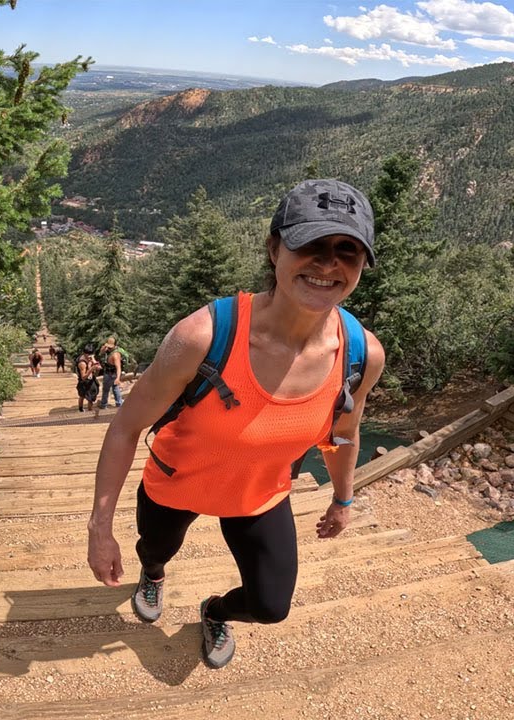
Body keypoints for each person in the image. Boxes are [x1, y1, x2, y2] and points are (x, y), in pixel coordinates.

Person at [86, 179, 385, 669]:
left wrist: (342, 498)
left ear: (360, 267)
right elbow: (125, 427)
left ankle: (215, 610)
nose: (328, 263)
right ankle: (155, 575)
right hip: (176, 484)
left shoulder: (360, 354)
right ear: (274, 249)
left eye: (347, 252)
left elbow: (344, 434)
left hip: (258, 495)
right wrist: (100, 526)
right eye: (311, 244)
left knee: (270, 606)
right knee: (156, 549)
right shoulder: (205, 336)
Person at [95, 336, 125, 410]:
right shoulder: (108, 350)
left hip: (112, 374)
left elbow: (118, 367)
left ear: (114, 345)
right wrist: (103, 349)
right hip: (108, 372)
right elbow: (100, 353)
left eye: (110, 346)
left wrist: (118, 378)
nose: (109, 348)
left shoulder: (115, 355)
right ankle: (116, 403)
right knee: (111, 388)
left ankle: (108, 404)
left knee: (112, 388)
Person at [75, 344, 100, 412]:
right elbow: (83, 377)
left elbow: (99, 367)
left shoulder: (91, 359)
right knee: (82, 396)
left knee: (91, 398)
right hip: (84, 381)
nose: (89, 356)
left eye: (91, 354)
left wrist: (94, 361)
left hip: (91, 380)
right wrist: (91, 369)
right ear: (84, 353)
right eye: (88, 354)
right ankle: (82, 409)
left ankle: (89, 409)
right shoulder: (82, 363)